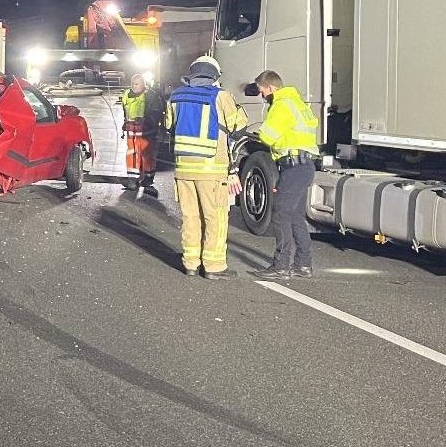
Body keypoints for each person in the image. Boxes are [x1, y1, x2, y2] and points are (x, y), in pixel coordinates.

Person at [166, 56, 249, 279]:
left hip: (183, 169)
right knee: (215, 217)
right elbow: (238, 126)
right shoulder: (220, 96)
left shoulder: (176, 96)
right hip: (212, 170)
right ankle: (214, 266)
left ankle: (191, 262)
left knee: (190, 216)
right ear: (214, 76)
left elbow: (168, 126)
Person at [249, 70, 321, 281]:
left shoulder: (281, 104)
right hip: (304, 165)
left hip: (293, 166)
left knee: (280, 214)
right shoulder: (297, 102)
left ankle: (281, 266)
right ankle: (303, 264)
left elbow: (267, 135)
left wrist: (251, 134)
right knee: (295, 216)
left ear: (270, 87)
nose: (262, 95)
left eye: (262, 91)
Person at [118, 73, 163, 197]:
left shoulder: (151, 96)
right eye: (132, 84)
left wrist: (149, 123)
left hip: (146, 131)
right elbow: (125, 110)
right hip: (132, 130)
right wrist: (125, 123)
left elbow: (157, 113)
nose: (134, 86)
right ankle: (132, 179)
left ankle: (148, 179)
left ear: (143, 84)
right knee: (131, 154)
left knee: (147, 155)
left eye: (137, 84)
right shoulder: (127, 94)